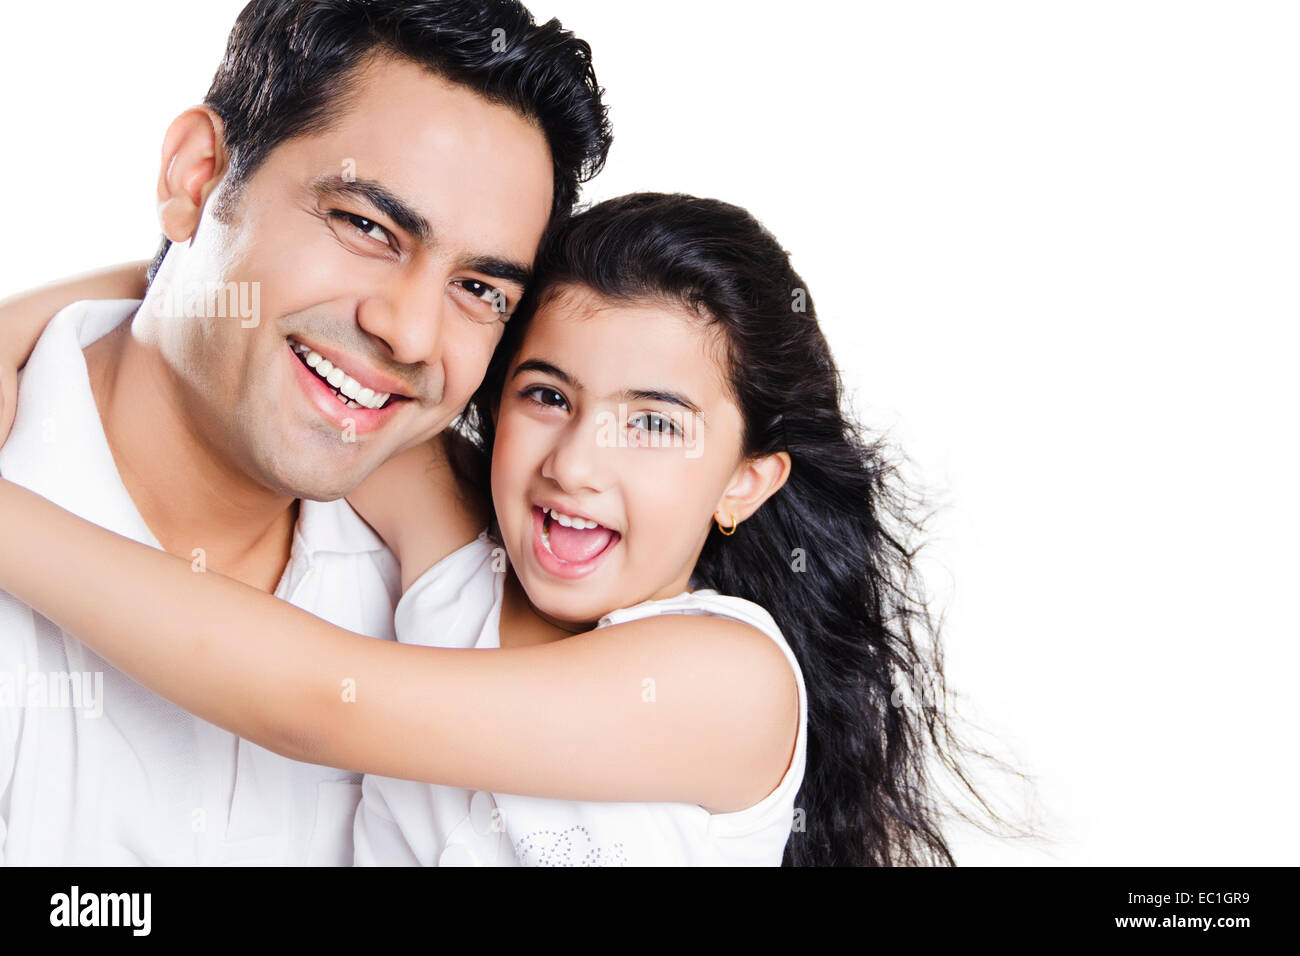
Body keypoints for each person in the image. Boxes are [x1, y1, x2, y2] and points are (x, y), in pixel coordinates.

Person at [0, 193, 982, 866]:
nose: (574, 462)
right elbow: (237, 312)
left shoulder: (729, 678)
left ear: (746, 480)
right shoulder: (460, 564)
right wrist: (216, 248)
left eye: (653, 422)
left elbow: (314, 701)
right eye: (548, 394)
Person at [0, 0, 611, 865]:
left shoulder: (470, 584)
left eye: (480, 289)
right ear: (196, 176)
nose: (409, 333)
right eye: (367, 226)